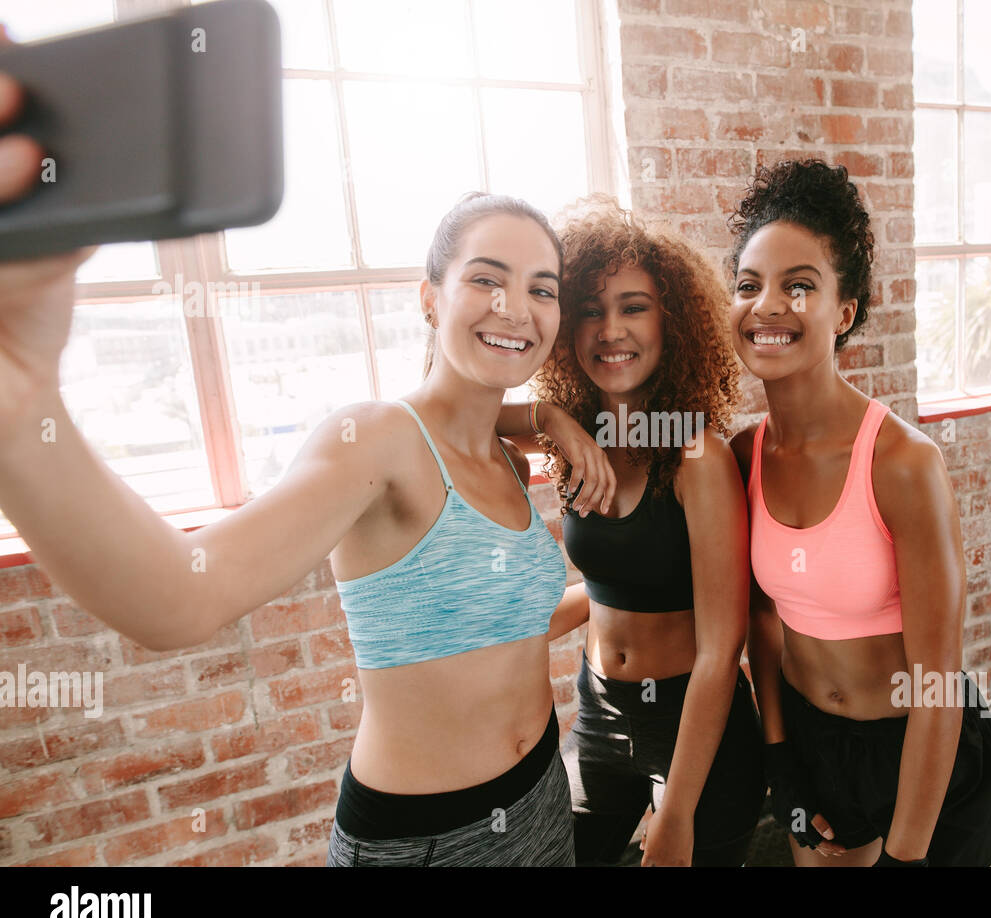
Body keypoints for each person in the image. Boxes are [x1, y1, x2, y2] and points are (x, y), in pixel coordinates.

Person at [0, 54, 621, 863]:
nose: (517, 307)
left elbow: (499, 629)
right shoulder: (376, 443)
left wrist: (620, 579)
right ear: (429, 296)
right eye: (487, 279)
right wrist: (22, 406)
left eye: (543, 288)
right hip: (427, 843)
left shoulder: (508, 452)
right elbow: (181, 598)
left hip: (542, 800)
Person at [726, 159, 991, 867]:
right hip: (816, 744)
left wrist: (905, 858)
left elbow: (939, 680)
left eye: (799, 286)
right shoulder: (741, 455)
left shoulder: (902, 464)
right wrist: (781, 762)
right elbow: (762, 621)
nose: (768, 306)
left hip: (920, 750)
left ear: (844, 312)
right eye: (749, 285)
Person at [511, 197, 764, 866]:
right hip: (599, 712)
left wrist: (675, 812)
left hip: (694, 720)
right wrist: (551, 416)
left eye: (633, 306)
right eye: (590, 309)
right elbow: (460, 415)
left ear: (670, 322)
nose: (610, 329)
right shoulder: (579, 438)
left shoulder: (695, 456)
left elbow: (721, 647)